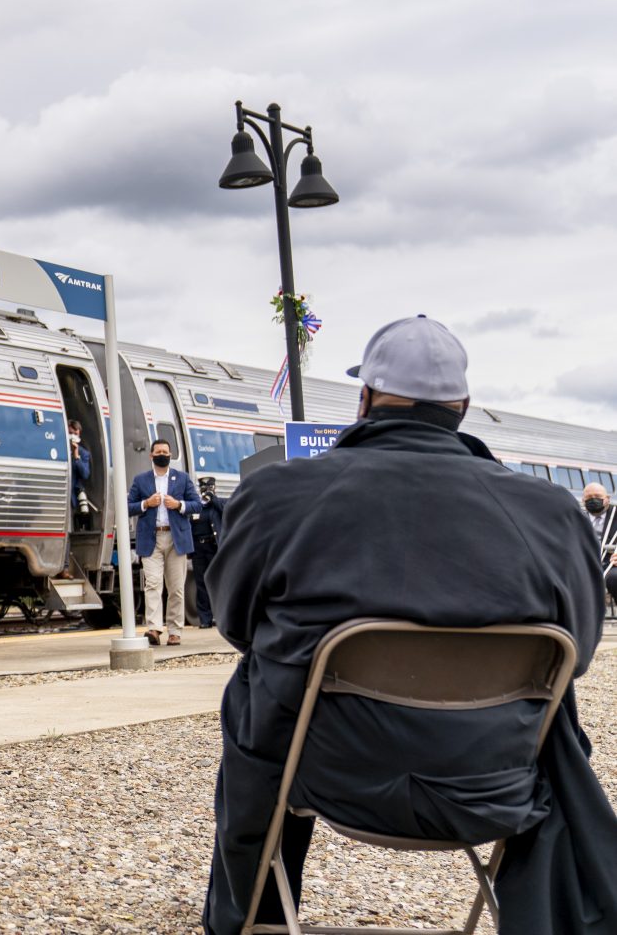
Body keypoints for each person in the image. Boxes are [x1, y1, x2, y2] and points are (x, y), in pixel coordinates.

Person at [202, 315, 617, 935]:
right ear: (463, 407)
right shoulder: (552, 512)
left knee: (258, 682)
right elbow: (576, 652)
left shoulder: (279, 494)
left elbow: (236, 622)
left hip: (319, 771)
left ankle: (251, 911)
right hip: (495, 782)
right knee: (555, 713)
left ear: (365, 401)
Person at [126, 438, 201, 646]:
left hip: (176, 538)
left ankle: (175, 630)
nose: (162, 454)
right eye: (158, 451)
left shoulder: (182, 478)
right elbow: (127, 506)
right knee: (153, 584)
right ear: (151, 456)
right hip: (151, 539)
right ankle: (154, 629)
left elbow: (197, 505)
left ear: (170, 455)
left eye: (165, 452)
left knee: (176, 587)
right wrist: (145, 503)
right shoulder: (141, 480)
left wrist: (178, 504)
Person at [187, 476, 224, 629]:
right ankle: (205, 619)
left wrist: (212, 499)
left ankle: (222, 617)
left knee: (218, 582)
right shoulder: (197, 506)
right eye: (203, 488)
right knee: (201, 584)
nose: (206, 491)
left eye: (209, 488)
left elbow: (226, 510)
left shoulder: (219, 504)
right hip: (199, 549)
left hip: (214, 547)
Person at [68, 418, 94, 530]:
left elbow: (85, 474)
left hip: (71, 498)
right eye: (70, 433)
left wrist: (76, 456)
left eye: (76, 434)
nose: (73, 436)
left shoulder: (84, 453)